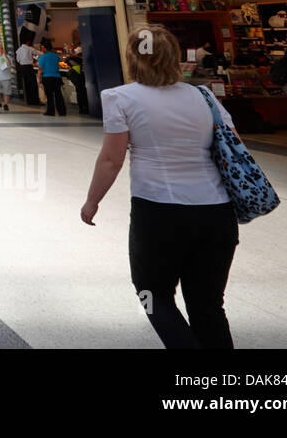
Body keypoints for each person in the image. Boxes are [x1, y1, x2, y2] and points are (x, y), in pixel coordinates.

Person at [81, 24, 241, 349]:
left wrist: (92, 202)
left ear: (132, 58)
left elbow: (111, 160)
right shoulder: (205, 96)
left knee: (152, 293)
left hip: (160, 213)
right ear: (174, 57)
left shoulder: (119, 97)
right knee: (208, 304)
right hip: (217, 214)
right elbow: (233, 145)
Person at [39, 40, 66, 117]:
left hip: (47, 78)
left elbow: (40, 69)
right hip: (57, 77)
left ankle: (51, 111)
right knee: (58, 94)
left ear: (44, 48)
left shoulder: (42, 57)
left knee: (49, 95)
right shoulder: (56, 56)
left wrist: (39, 78)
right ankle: (62, 111)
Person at [15, 38, 39, 106]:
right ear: (27, 42)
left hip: (22, 68)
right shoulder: (29, 48)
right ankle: (35, 100)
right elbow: (40, 54)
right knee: (33, 84)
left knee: (26, 84)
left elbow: (18, 60)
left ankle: (28, 101)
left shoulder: (18, 50)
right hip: (29, 67)